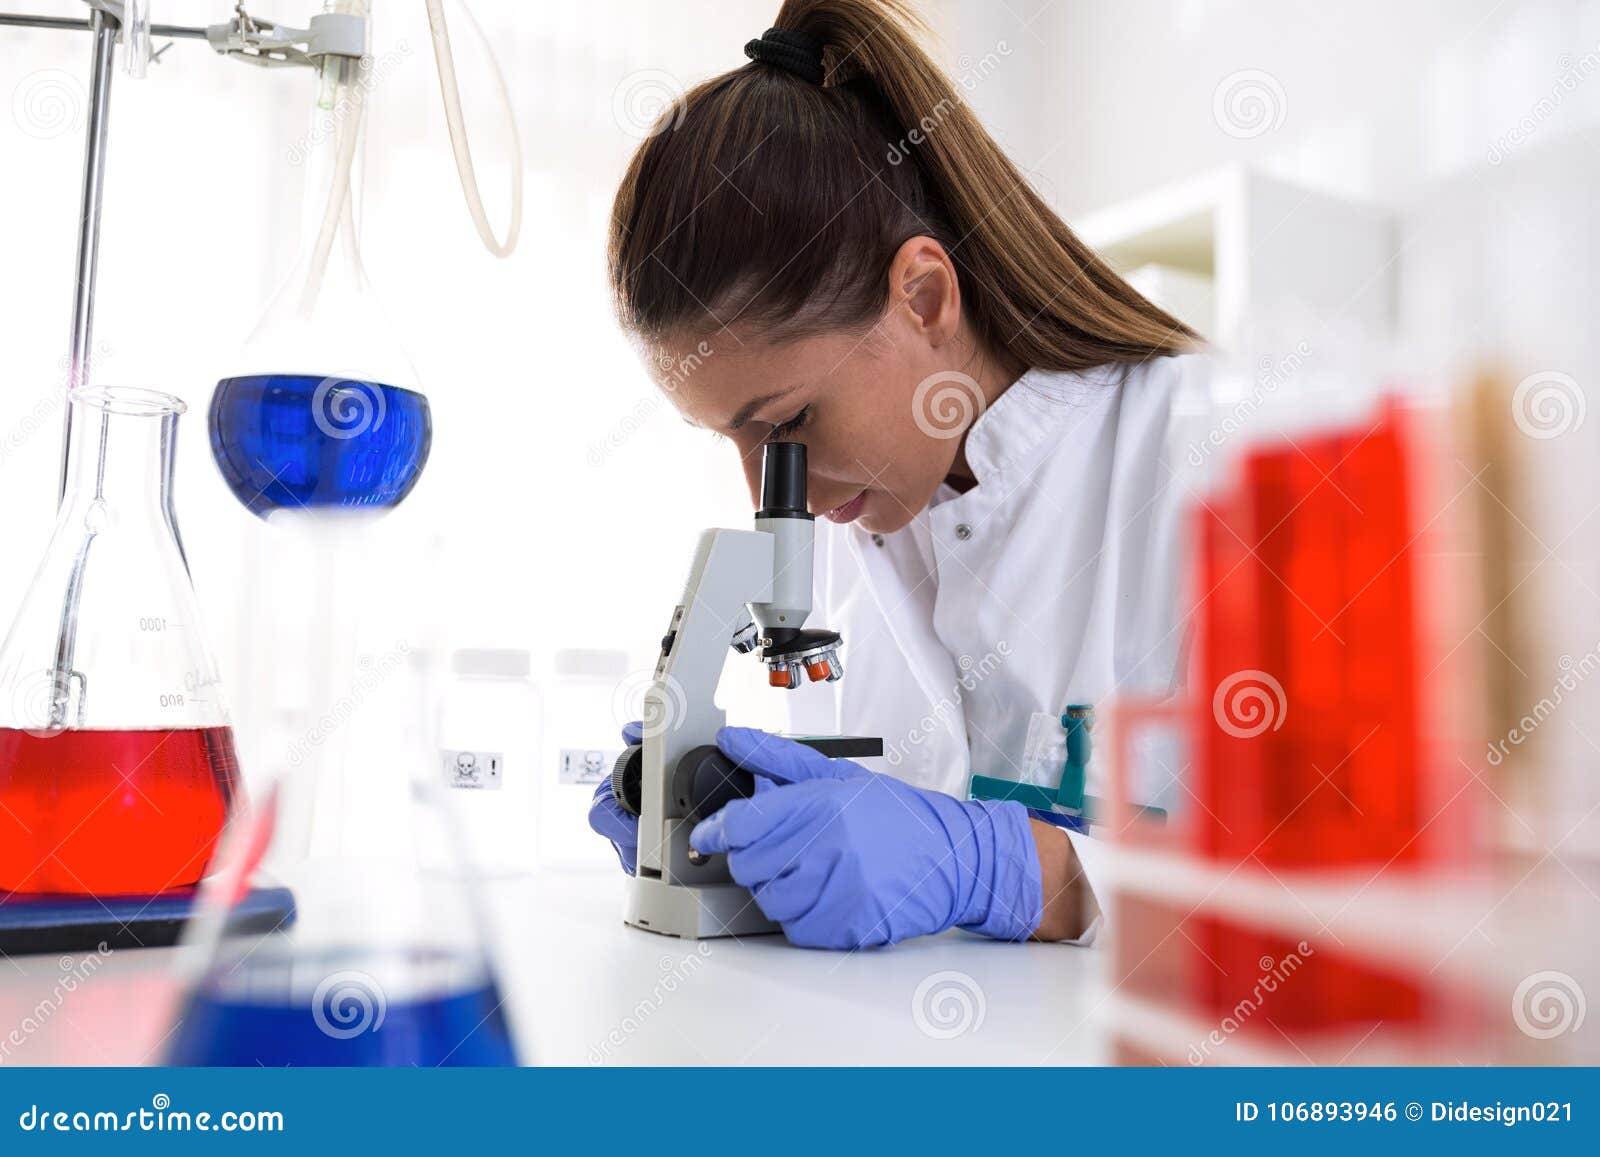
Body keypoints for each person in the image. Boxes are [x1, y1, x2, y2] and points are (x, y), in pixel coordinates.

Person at [589, 0, 1204, 949]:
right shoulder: (854, 520)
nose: (772, 498)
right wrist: (734, 831)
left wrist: (1028, 872)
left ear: (923, 297)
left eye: (790, 422)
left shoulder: (1207, 453)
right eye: (732, 441)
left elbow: (1360, 884)